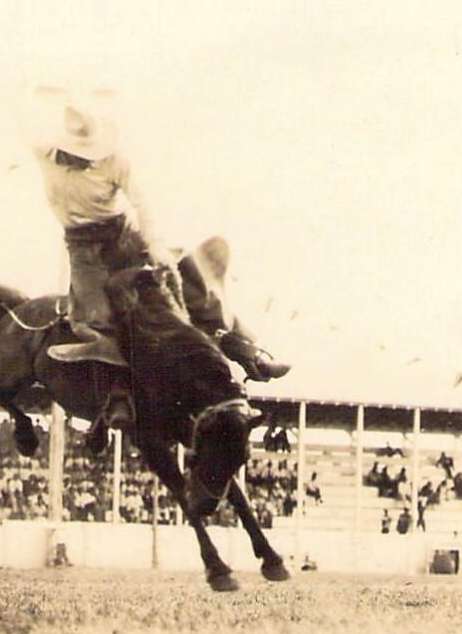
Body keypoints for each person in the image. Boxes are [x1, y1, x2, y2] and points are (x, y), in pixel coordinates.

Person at [30, 88, 289, 444]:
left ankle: (248, 353)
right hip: (83, 246)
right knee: (97, 317)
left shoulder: (115, 160)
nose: (86, 160)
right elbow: (20, 112)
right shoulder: (43, 155)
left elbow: (141, 200)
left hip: (125, 233)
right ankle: (117, 396)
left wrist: (153, 244)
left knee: (186, 283)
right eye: (79, 155)